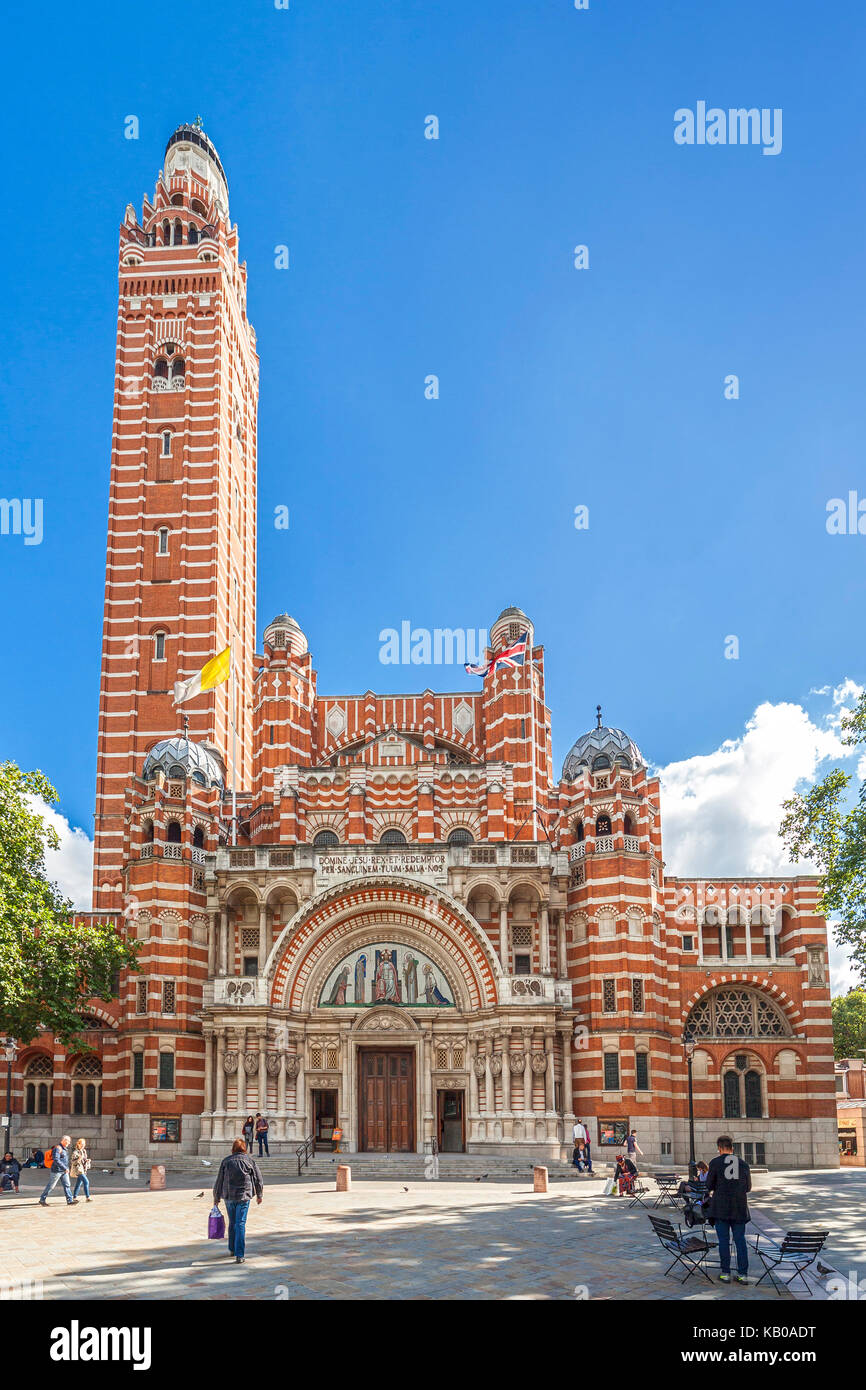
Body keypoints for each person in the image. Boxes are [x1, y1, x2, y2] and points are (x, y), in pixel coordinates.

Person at [706, 1135, 752, 1285]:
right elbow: (748, 1187)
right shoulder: (743, 1164)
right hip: (739, 1207)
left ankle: (725, 1273)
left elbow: (709, 1185)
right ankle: (743, 1274)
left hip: (721, 1208)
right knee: (740, 1241)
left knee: (723, 1241)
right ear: (733, 1148)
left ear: (719, 1148)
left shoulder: (715, 1162)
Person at [212, 1137, 264, 1264]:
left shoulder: (226, 1161)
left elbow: (219, 1180)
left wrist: (216, 1197)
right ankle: (240, 1255)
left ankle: (232, 1249)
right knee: (240, 1224)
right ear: (244, 1149)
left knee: (233, 1223)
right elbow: (258, 1179)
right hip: (243, 1196)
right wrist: (259, 1194)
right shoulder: (249, 1161)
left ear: (233, 1149)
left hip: (229, 1196)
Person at [38, 1136, 78, 1206]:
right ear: (64, 1140)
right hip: (57, 1170)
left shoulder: (64, 1149)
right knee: (51, 1186)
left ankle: (70, 1200)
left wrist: (66, 1168)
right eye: (68, 1141)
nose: (69, 1143)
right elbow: (56, 1159)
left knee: (67, 1185)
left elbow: (64, 1160)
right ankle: (42, 1199)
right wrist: (64, 1168)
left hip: (64, 1171)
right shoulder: (57, 1148)